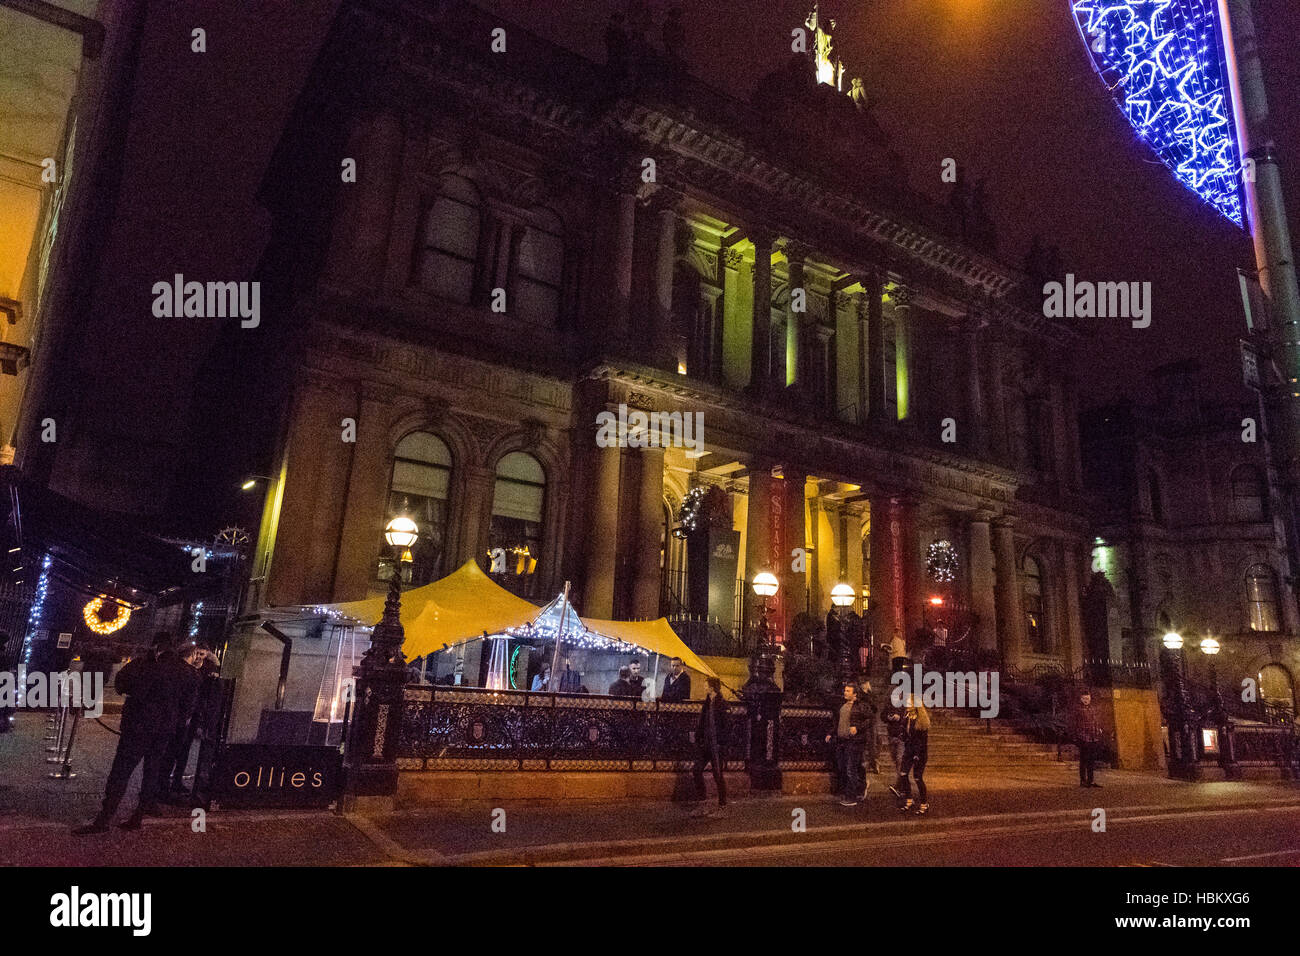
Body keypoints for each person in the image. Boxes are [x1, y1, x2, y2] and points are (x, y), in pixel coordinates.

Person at [74, 632, 199, 834]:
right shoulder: (188, 673)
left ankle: (105, 818)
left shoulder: (143, 664)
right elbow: (188, 707)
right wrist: (174, 721)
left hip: (137, 725)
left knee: (121, 772)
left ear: (156, 646)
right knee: (152, 772)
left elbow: (120, 684)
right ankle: (138, 815)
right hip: (164, 730)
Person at [160, 641, 205, 802]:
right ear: (191, 655)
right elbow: (190, 698)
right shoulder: (190, 674)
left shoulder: (171, 668)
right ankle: (162, 790)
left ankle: (159, 788)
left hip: (168, 717)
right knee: (171, 755)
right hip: (180, 720)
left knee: (166, 755)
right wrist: (186, 718)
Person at [825, 683, 871, 806]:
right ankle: (859, 787)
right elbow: (838, 722)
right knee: (844, 767)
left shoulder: (861, 706)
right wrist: (831, 733)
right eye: (845, 690)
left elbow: (869, 720)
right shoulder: (843, 706)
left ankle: (852, 797)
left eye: (848, 691)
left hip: (855, 741)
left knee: (851, 769)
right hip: (842, 741)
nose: (845, 692)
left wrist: (858, 728)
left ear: (855, 694)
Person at [691, 676, 728, 815]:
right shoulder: (707, 703)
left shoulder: (722, 705)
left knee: (718, 775)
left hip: (716, 745)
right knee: (696, 770)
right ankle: (703, 804)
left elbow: (726, 727)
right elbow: (702, 723)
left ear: (712, 688)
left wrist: (721, 744)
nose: (704, 687)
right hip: (706, 744)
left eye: (706, 685)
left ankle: (722, 806)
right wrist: (699, 738)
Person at [890, 696, 931, 815]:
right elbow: (905, 733)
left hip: (919, 753)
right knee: (903, 774)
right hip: (909, 751)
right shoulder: (906, 717)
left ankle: (924, 803)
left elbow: (922, 741)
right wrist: (902, 734)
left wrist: (917, 754)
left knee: (918, 778)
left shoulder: (921, 720)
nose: (907, 704)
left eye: (909, 702)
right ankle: (909, 800)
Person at [1073, 691, 1104, 788]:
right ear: (1081, 699)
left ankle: (1090, 780)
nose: (1086, 701)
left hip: (1093, 737)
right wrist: (1078, 736)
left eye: (1088, 699)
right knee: (1083, 760)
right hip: (1083, 737)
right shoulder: (1078, 709)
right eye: (1085, 699)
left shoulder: (1092, 709)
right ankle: (1083, 781)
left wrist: (1099, 729)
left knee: (1091, 760)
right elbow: (1075, 724)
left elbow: (1095, 721)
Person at [858, 679, 881, 775]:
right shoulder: (860, 695)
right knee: (867, 742)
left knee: (875, 742)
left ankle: (874, 762)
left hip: (871, 721)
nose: (865, 685)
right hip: (864, 721)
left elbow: (875, 708)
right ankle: (867, 763)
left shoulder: (871, 695)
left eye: (866, 683)